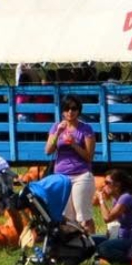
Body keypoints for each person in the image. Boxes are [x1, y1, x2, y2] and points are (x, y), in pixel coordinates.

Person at [45, 95, 97, 233]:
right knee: (67, 218)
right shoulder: (56, 127)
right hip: (62, 178)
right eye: (67, 108)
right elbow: (48, 151)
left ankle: (92, 244)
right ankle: (74, 248)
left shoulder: (86, 129)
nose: (70, 112)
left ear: (79, 111)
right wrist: (58, 133)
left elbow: (89, 156)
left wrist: (73, 144)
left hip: (81, 175)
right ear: (62, 111)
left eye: (74, 108)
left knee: (83, 217)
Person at [92, 169, 132, 265]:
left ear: (117, 185)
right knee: (90, 239)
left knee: (104, 247)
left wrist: (101, 200)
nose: (103, 186)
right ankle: (107, 259)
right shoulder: (116, 199)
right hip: (122, 238)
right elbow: (114, 221)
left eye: (107, 183)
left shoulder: (126, 198)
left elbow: (107, 218)